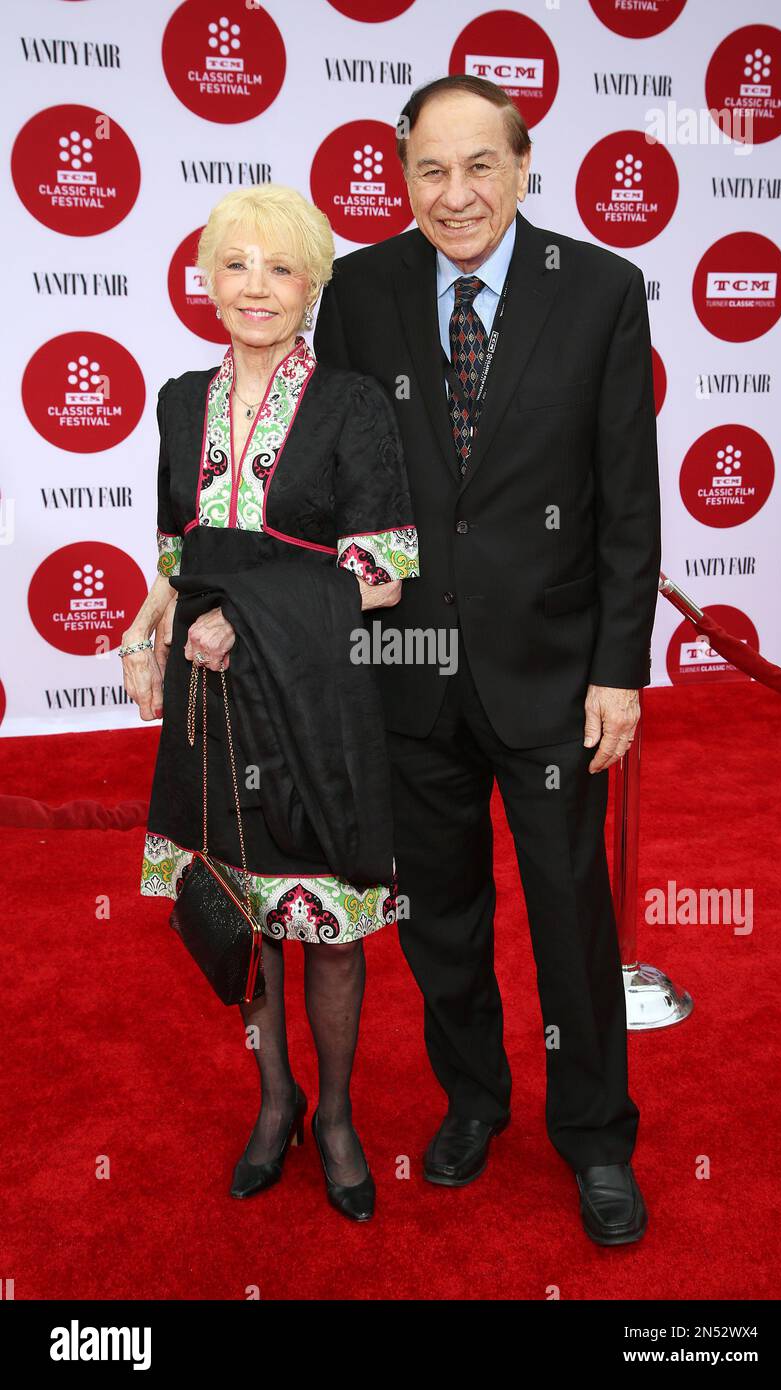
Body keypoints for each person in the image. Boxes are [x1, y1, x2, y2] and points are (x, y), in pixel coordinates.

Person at [314, 76, 661, 1245]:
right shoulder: (358, 291)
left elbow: (626, 499)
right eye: (427, 170)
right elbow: (340, 479)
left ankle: (597, 1136)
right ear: (401, 174)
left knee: (570, 913)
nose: (453, 194)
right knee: (441, 915)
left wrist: (619, 669)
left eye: (477, 166)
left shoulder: (600, 291)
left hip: (553, 668)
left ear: (523, 165)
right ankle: (472, 1101)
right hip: (406, 665)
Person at [120, 184, 419, 1223]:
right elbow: (178, 547)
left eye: (280, 268)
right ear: (207, 280)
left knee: (327, 924)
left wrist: (245, 616)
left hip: (314, 695)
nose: (257, 287)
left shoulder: (351, 406)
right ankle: (274, 1097)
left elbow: (382, 572)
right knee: (240, 913)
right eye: (236, 265)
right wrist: (145, 620)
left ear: (312, 286)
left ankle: (335, 1115)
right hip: (209, 703)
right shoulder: (174, 401)